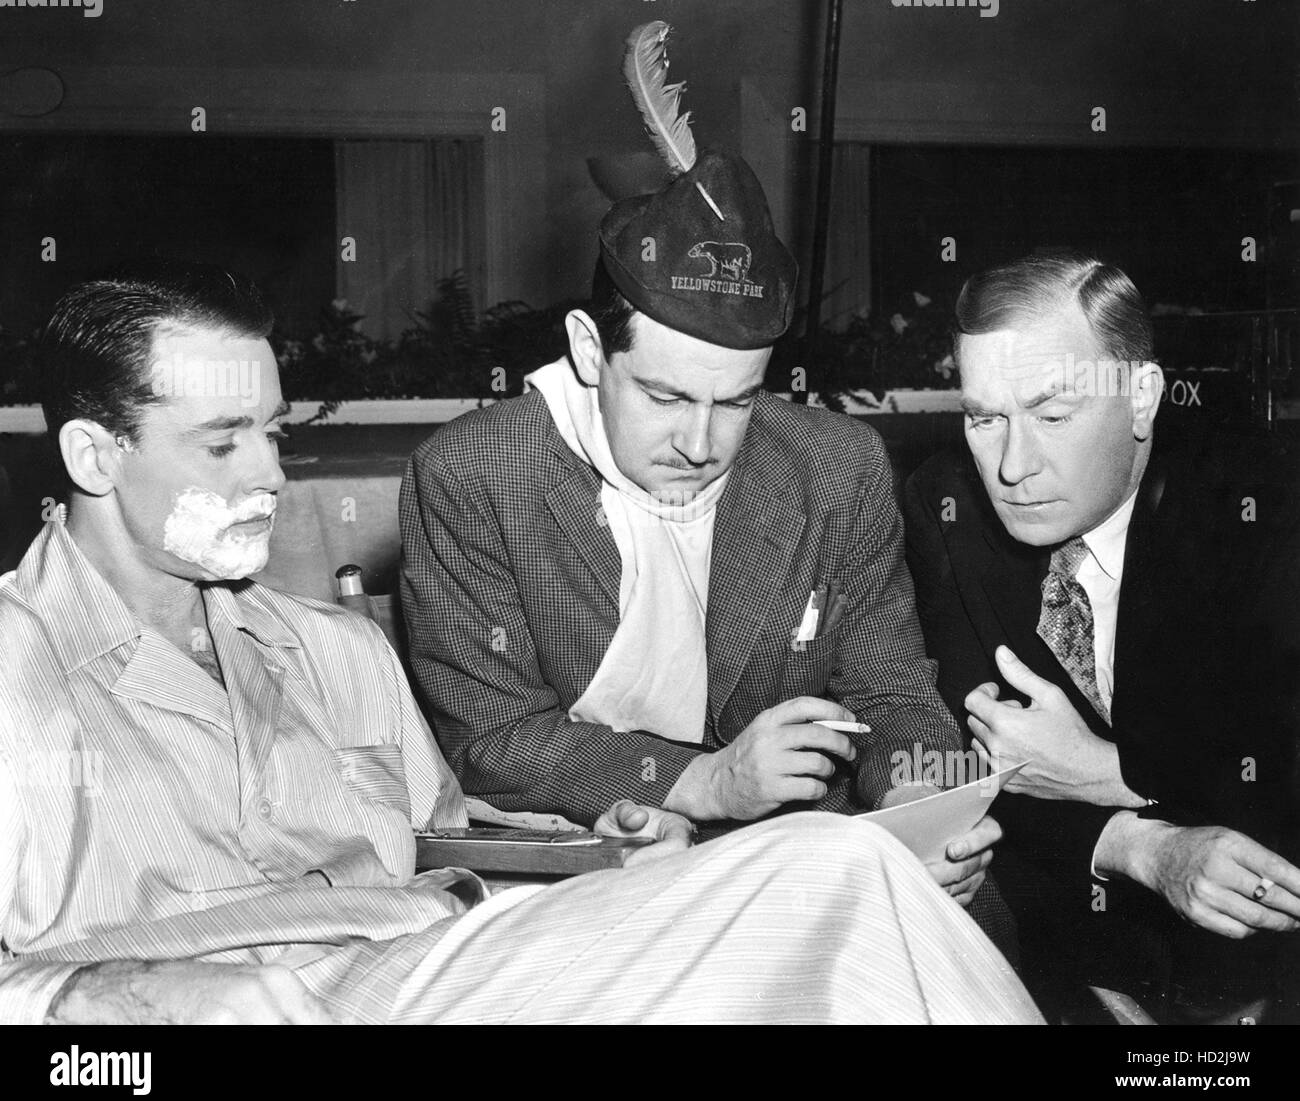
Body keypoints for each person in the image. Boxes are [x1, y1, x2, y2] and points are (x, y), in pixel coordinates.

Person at [0, 262, 1042, 1025]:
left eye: (275, 432)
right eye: (223, 443)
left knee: (843, 864)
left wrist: (603, 850)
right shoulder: (14, 672)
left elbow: (447, 838)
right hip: (200, 1007)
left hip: (429, 968)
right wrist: (118, 1008)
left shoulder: (329, 653)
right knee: (836, 880)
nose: (269, 474)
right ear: (94, 454)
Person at [400, 152, 1006, 921]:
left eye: (737, 401)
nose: (699, 441)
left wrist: (921, 800)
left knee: (975, 918)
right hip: (595, 858)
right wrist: (708, 781)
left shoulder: (835, 466)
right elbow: (494, 740)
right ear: (590, 349)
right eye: (664, 395)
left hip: (810, 843)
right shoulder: (473, 476)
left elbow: (892, 692)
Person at [902, 250, 1300, 1021]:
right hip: (1073, 963)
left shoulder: (1259, 509)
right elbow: (964, 772)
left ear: (1141, 397)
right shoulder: (945, 505)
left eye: (1053, 415)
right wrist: (1140, 845)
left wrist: (1107, 769)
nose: (1014, 466)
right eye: (986, 418)